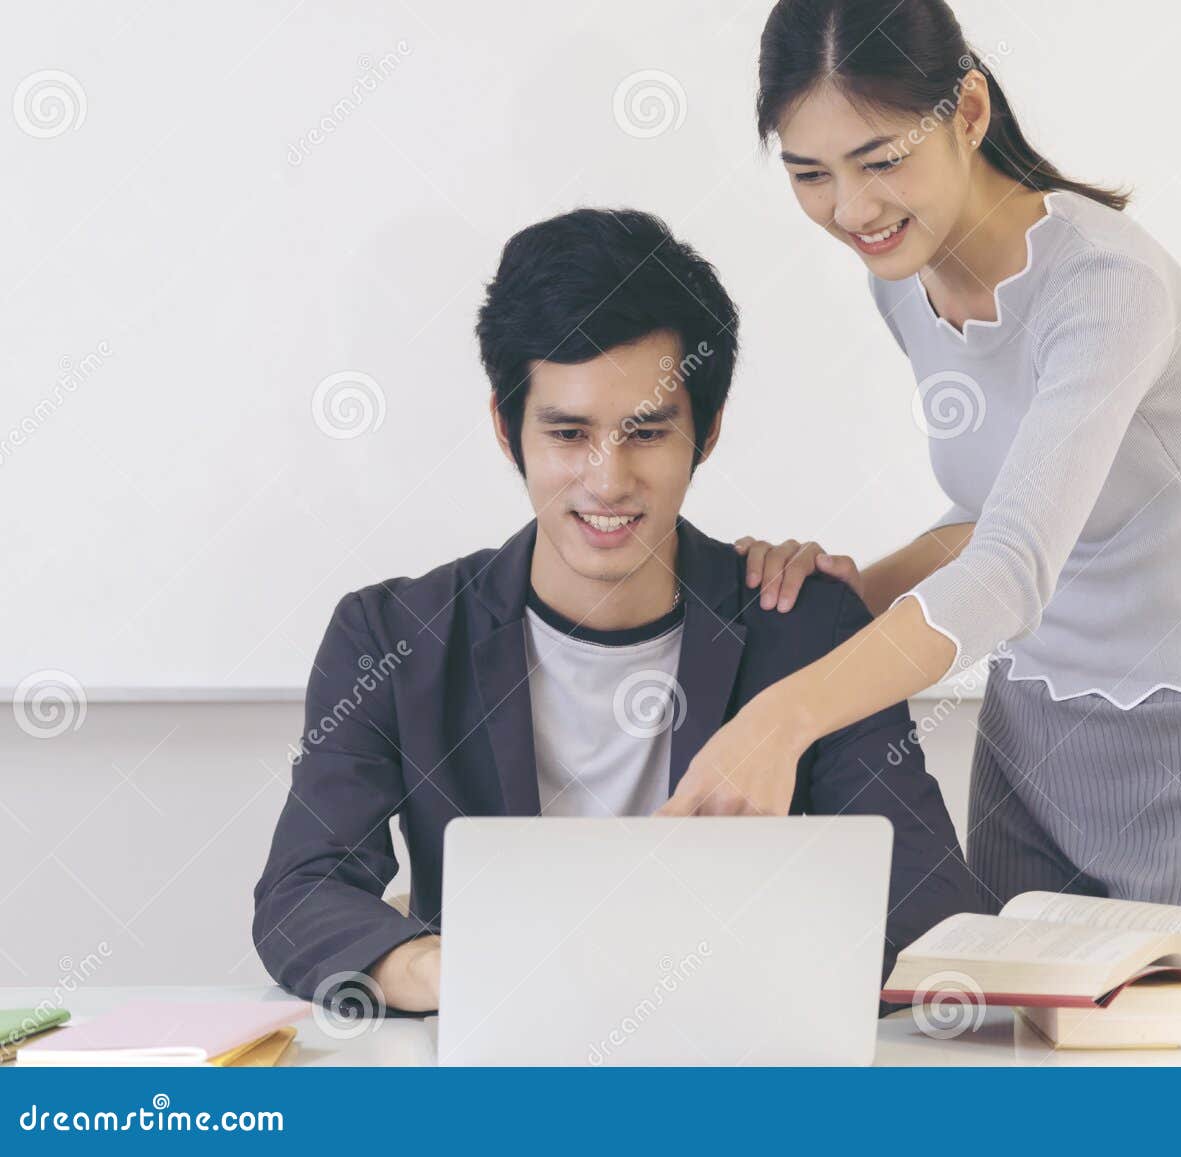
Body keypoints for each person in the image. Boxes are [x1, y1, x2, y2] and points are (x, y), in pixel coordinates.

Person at [661, 0, 1181, 922]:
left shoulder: (1105, 287)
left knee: (1179, 1063)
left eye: (882, 160)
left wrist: (786, 715)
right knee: (1007, 1053)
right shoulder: (906, 282)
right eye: (810, 174)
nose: (852, 210)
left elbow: (1010, 565)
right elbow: (993, 512)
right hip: (1031, 739)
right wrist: (846, 596)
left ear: (967, 113)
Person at [252, 207, 976, 1012]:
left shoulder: (803, 627)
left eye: (646, 433)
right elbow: (301, 892)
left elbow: (931, 910)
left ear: (705, 434)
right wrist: (453, 972)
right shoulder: (392, 637)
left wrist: (717, 975)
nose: (606, 481)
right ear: (507, 429)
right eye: (567, 432)